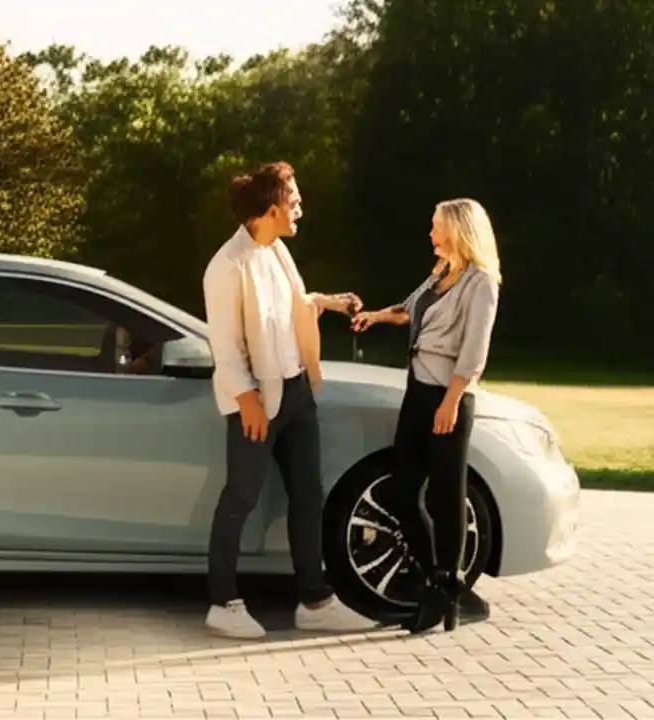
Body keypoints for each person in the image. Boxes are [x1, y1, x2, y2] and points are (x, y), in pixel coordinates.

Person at [201, 161, 379, 639]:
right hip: (256, 401)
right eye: (294, 200)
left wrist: (327, 302)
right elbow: (226, 345)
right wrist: (246, 399)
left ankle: (315, 603)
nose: (301, 207)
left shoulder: (277, 251)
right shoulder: (226, 266)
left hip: (297, 392)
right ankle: (223, 604)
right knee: (240, 497)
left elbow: (289, 305)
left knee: (308, 496)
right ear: (272, 208)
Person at [351, 198, 501, 633]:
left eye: (436, 226)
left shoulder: (480, 283)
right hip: (418, 392)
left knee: (446, 493)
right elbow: (410, 308)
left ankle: (444, 593)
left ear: (457, 229)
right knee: (403, 490)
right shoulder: (441, 273)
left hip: (448, 396)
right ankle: (437, 584)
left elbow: (475, 352)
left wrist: (451, 402)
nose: (430, 233)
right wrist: (375, 317)